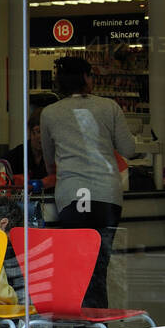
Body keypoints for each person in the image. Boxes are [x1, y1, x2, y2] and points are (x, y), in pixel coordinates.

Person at [40, 56, 136, 309]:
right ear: (85, 78)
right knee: (100, 265)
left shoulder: (49, 113)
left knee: (77, 266)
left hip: (71, 194)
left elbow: (50, 161)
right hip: (106, 193)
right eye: (91, 75)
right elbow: (128, 148)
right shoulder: (110, 107)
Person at [5, 113, 47, 181]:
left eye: (45, 132)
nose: (41, 136)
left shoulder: (54, 154)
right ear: (30, 132)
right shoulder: (16, 155)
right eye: (38, 131)